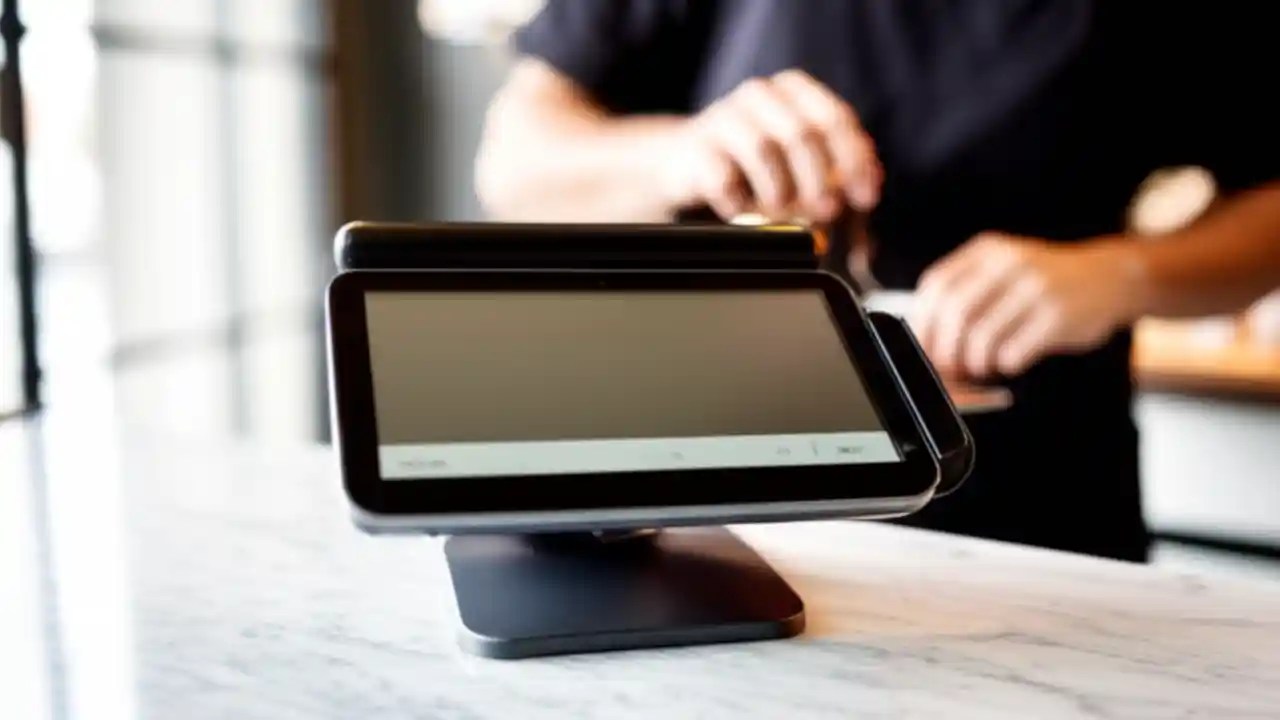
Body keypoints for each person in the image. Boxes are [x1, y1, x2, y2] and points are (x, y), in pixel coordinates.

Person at [474, 1, 1280, 562]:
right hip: (695, 515)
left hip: (1031, 526)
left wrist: (1120, 273)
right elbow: (514, 162)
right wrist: (679, 154)